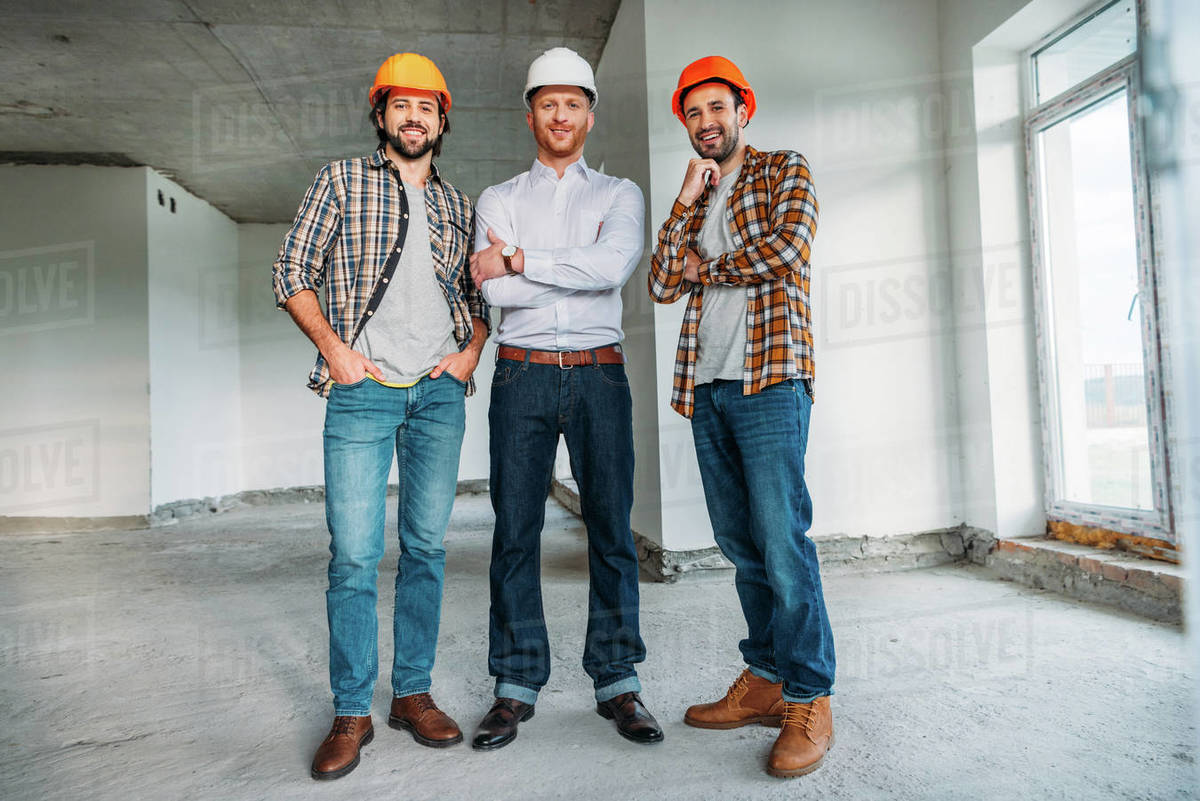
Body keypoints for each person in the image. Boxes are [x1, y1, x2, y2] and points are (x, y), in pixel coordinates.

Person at [272, 52, 489, 780]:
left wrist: (471, 353)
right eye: (402, 105)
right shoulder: (340, 180)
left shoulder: (459, 206)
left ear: (442, 119)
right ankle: (352, 709)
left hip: (436, 394)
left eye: (428, 107)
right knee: (356, 556)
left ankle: (413, 692)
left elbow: (480, 298)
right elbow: (290, 270)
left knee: (426, 549)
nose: (415, 117)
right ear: (381, 114)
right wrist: (334, 348)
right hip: (361, 391)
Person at [466, 46, 661, 750]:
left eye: (572, 102)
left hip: (599, 372)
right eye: (547, 102)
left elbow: (612, 267)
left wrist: (520, 258)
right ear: (531, 114)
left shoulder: (619, 195)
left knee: (611, 528)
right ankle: (515, 686)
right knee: (515, 530)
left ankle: (617, 682)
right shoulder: (498, 199)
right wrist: (558, 275)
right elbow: (494, 292)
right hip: (521, 374)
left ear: (588, 112)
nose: (560, 114)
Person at [648, 55, 835, 778]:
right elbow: (665, 281)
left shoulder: (783, 167)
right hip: (709, 387)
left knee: (783, 540)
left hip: (770, 379)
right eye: (693, 114)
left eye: (716, 109)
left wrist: (709, 268)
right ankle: (764, 680)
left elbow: (787, 248)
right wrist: (685, 201)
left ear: (742, 110)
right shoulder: (699, 192)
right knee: (739, 540)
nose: (705, 124)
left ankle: (811, 695)